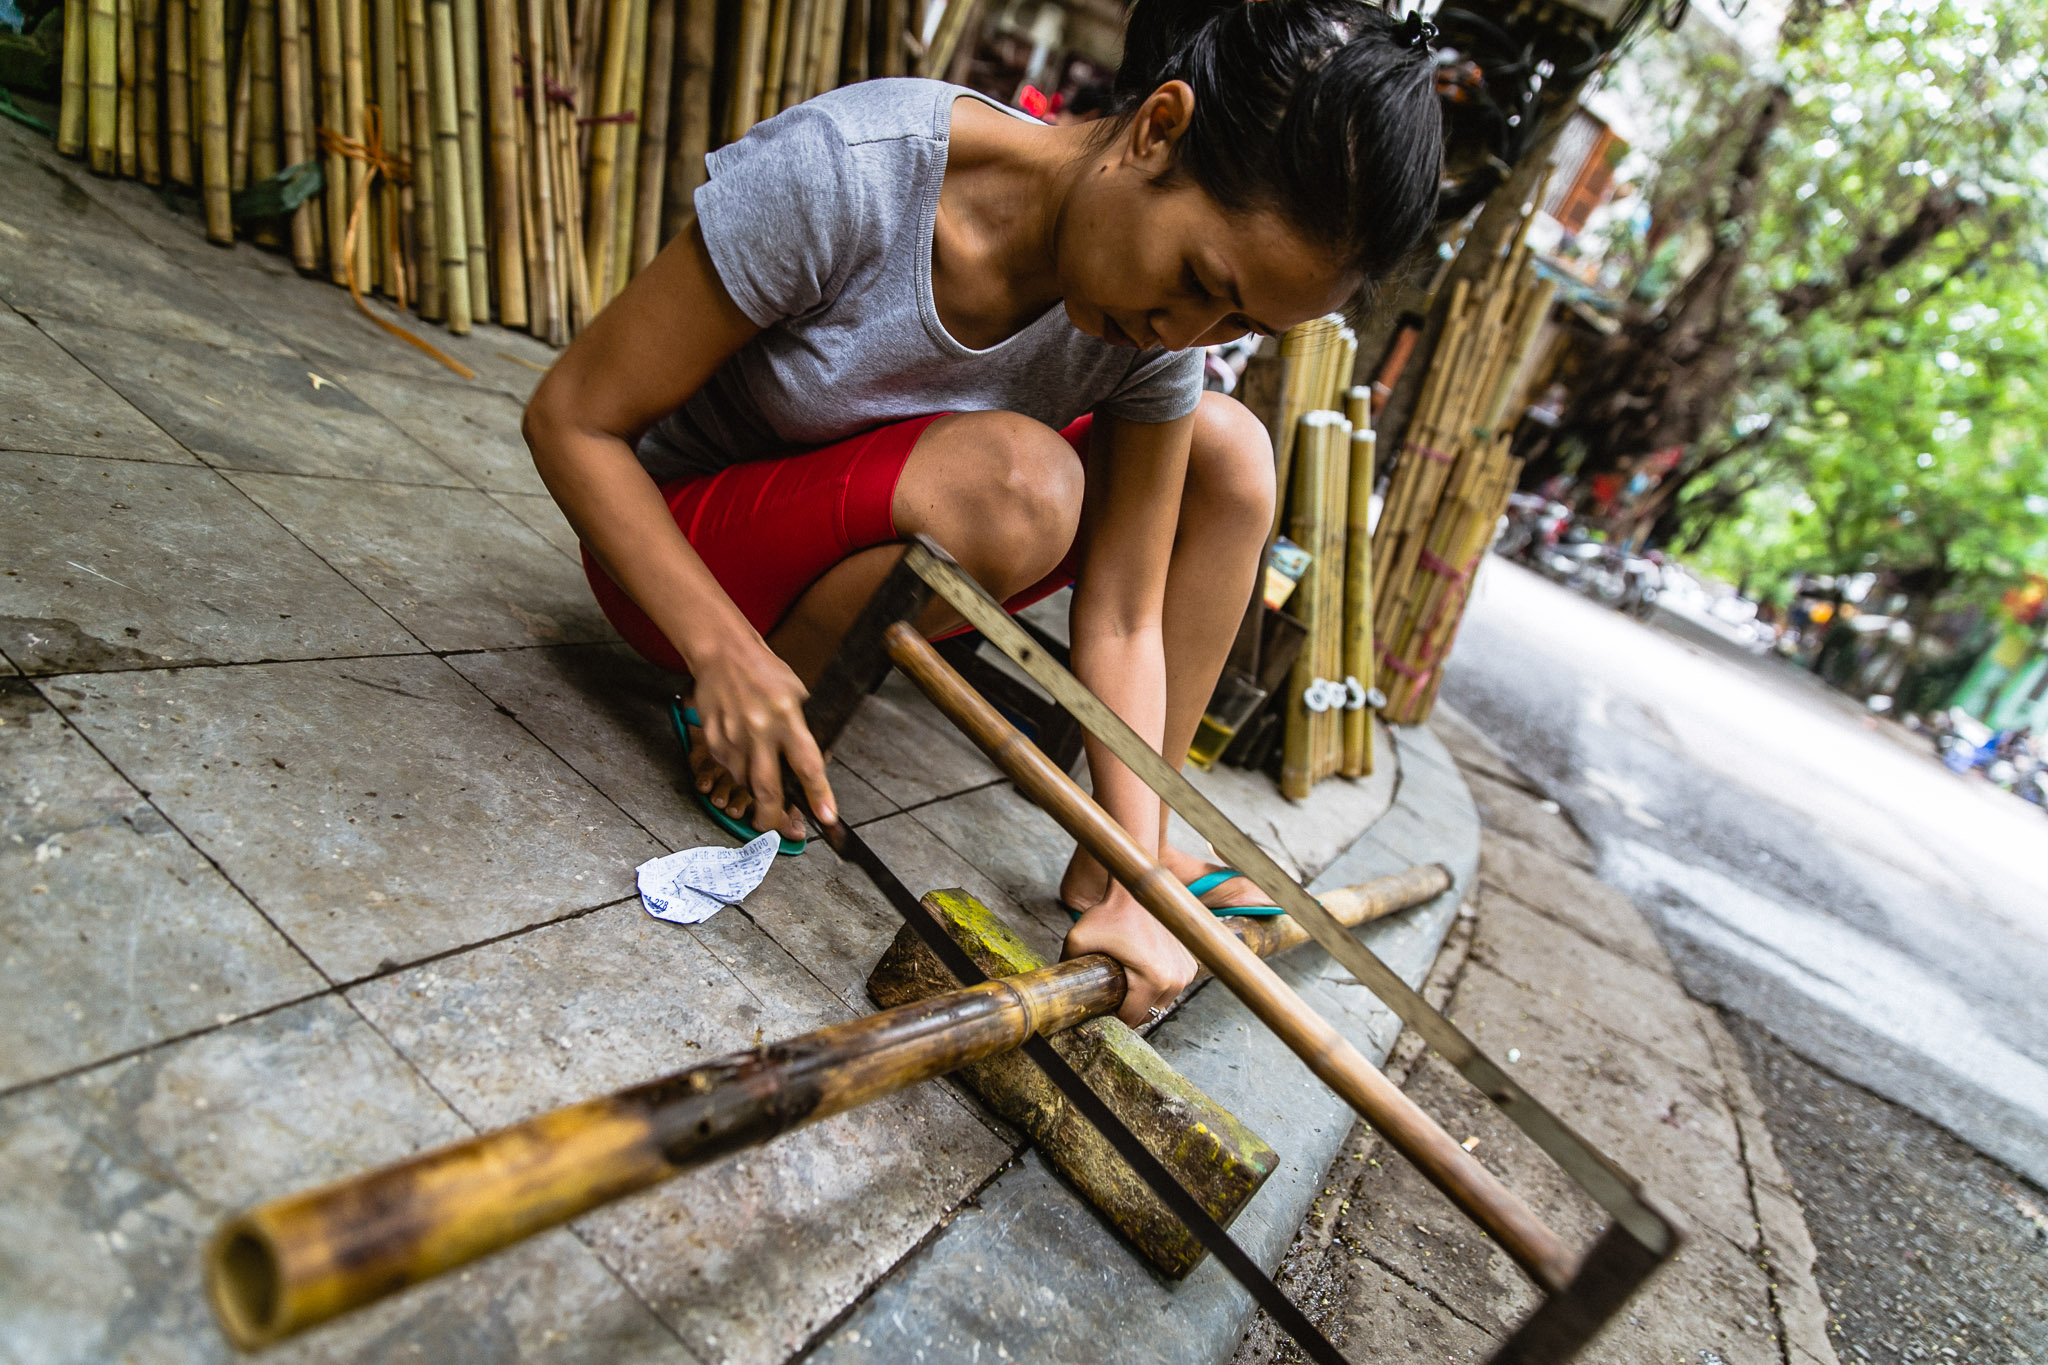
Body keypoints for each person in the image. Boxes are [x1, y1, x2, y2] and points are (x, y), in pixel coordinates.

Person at [521, 0, 1444, 1027]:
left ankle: (1118, 865)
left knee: (1228, 455)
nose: (1188, 330)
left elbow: (1129, 618)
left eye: (1238, 321)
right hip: (682, 562)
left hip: (875, 552)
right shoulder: (857, 169)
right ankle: (770, 716)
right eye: (1198, 282)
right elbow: (572, 421)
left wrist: (1139, 869)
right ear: (1157, 130)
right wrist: (724, 651)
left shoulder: (1161, 338)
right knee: (1022, 480)